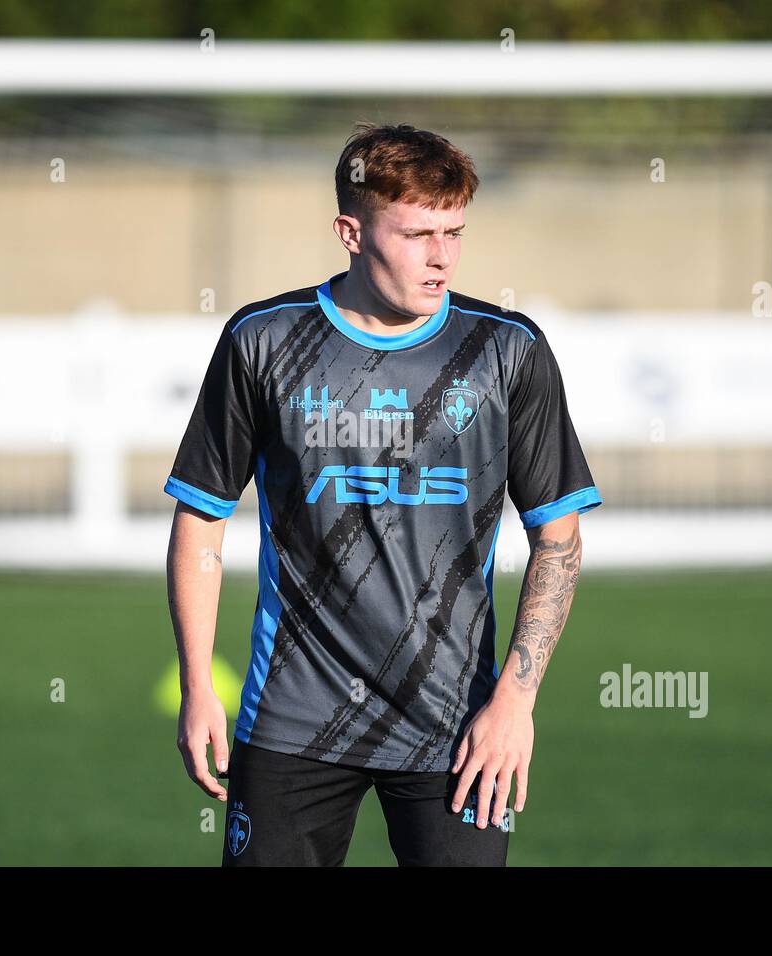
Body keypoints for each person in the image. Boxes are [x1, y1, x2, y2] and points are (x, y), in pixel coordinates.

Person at [164, 122, 601, 866]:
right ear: (351, 231)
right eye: (417, 234)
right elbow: (202, 520)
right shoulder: (264, 341)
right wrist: (198, 684)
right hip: (292, 721)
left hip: (457, 728)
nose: (442, 258)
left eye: (454, 232)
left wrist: (514, 705)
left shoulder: (505, 351)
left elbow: (557, 540)